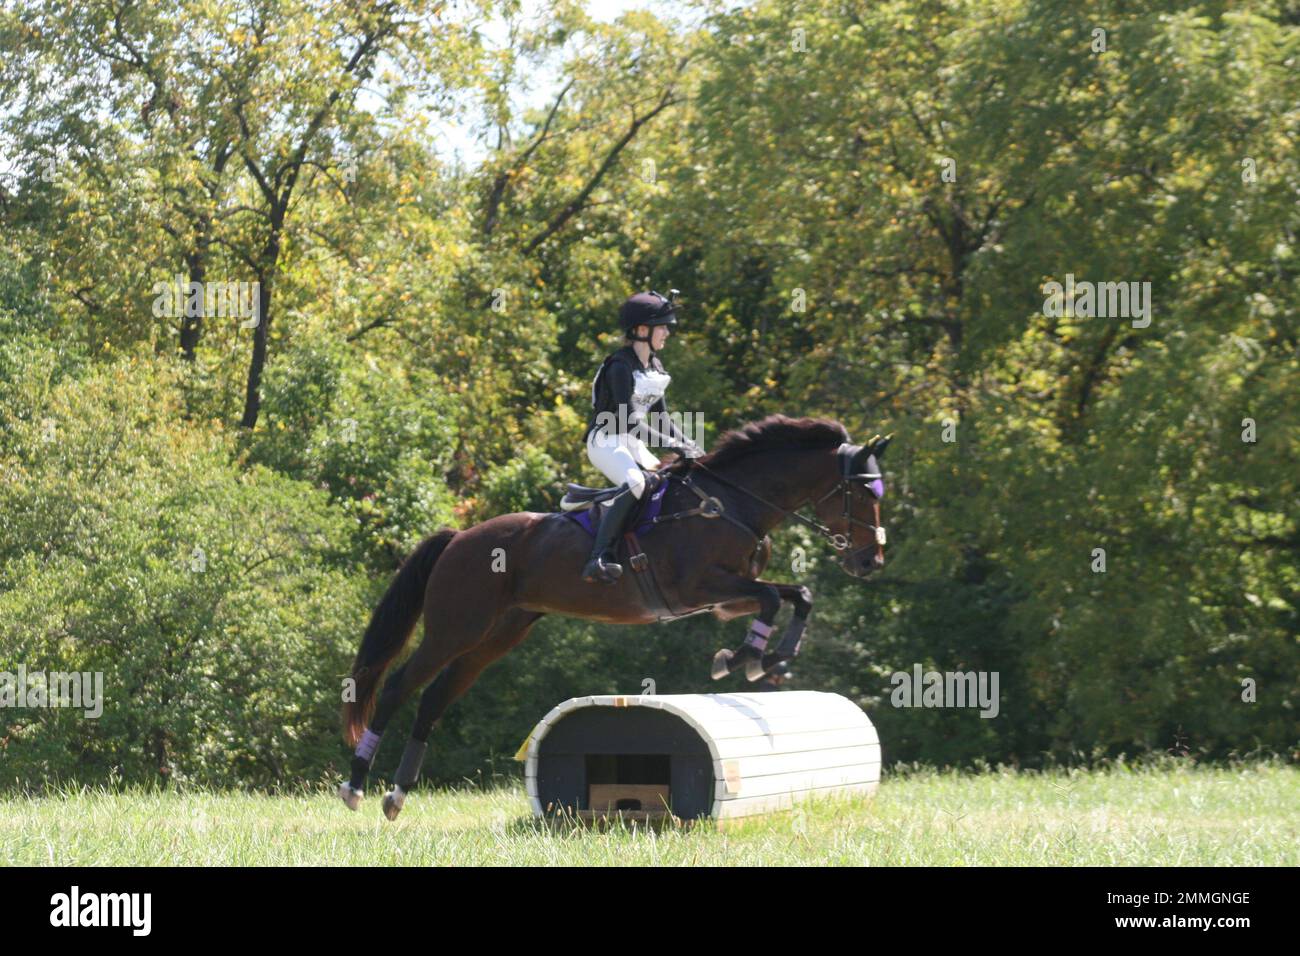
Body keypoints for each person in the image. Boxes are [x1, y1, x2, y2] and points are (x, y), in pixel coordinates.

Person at [581, 289, 704, 583]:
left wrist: (689, 445)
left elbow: (661, 418)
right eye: (662, 327)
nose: (666, 333)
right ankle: (598, 557)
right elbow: (626, 420)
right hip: (606, 439)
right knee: (635, 483)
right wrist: (673, 444)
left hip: (632, 441)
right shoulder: (620, 366)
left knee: (671, 481)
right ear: (640, 330)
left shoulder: (655, 367)